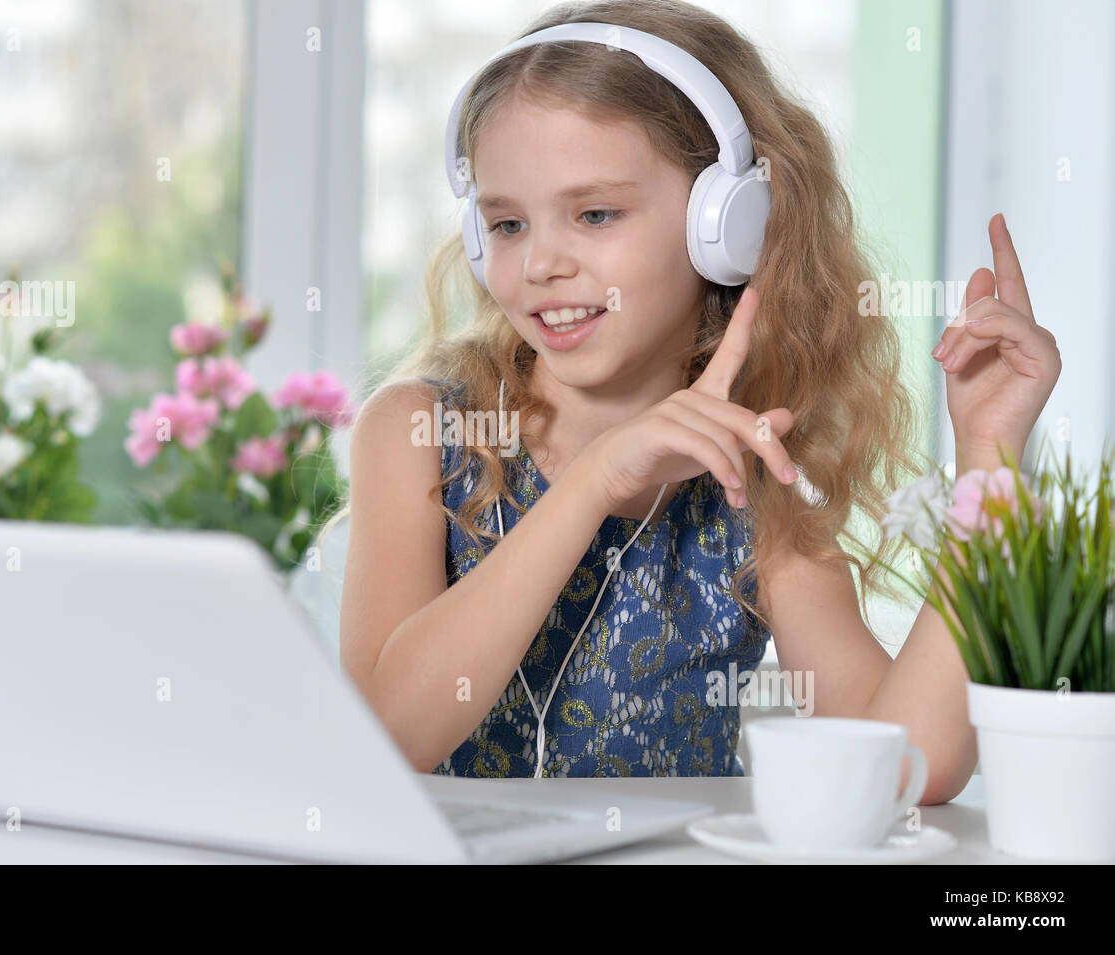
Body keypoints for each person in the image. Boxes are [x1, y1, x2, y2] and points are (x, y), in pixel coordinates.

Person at [334, 0, 1061, 799]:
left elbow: (908, 765)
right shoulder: (423, 432)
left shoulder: (752, 467)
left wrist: (988, 457)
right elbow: (382, 733)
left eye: (595, 213)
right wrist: (594, 482)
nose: (541, 262)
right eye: (506, 224)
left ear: (727, 223)